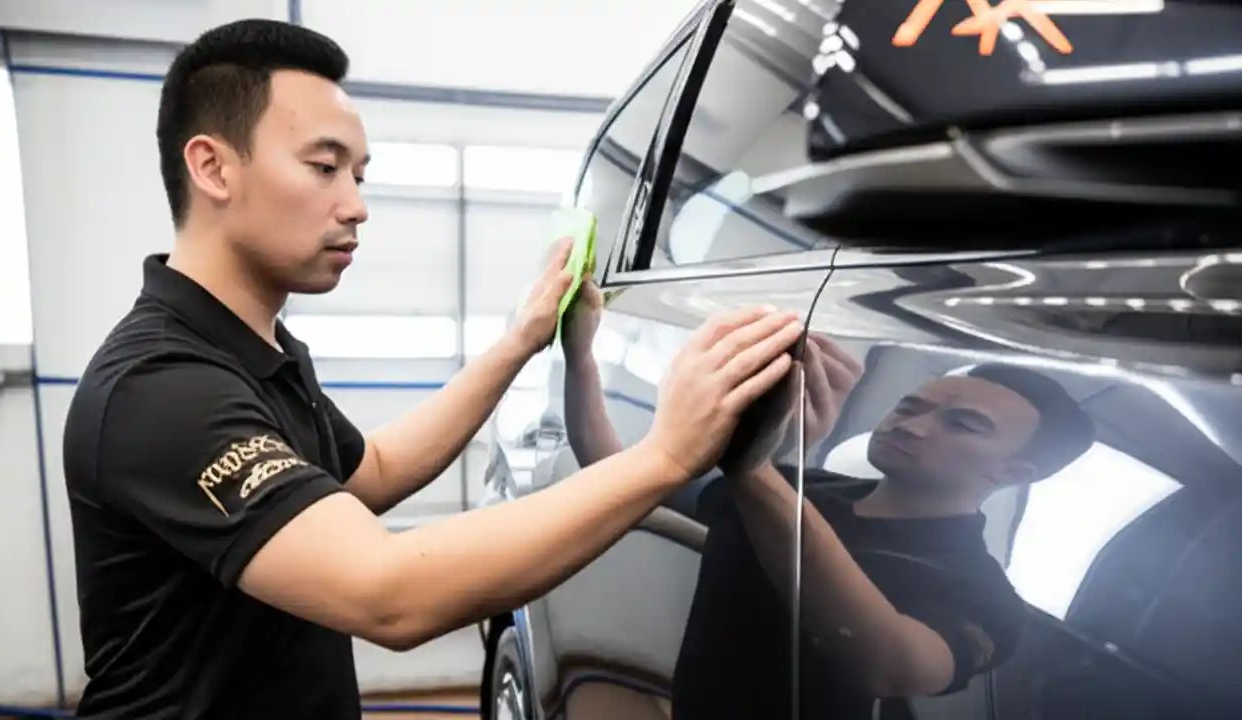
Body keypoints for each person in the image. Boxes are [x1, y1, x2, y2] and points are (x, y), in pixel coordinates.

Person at [60, 19, 804, 719]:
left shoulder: (257, 354)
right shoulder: (163, 387)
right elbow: (391, 594)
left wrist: (521, 341)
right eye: (324, 168)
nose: (357, 206)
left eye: (359, 175)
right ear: (213, 167)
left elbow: (373, 471)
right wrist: (664, 456)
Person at [673, 342, 1098, 719]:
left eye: (963, 424)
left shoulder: (984, 593)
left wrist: (754, 463)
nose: (911, 426)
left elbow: (892, 666)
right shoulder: (799, 486)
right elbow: (679, 495)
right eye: (909, 408)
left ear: (1014, 472)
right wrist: (772, 446)